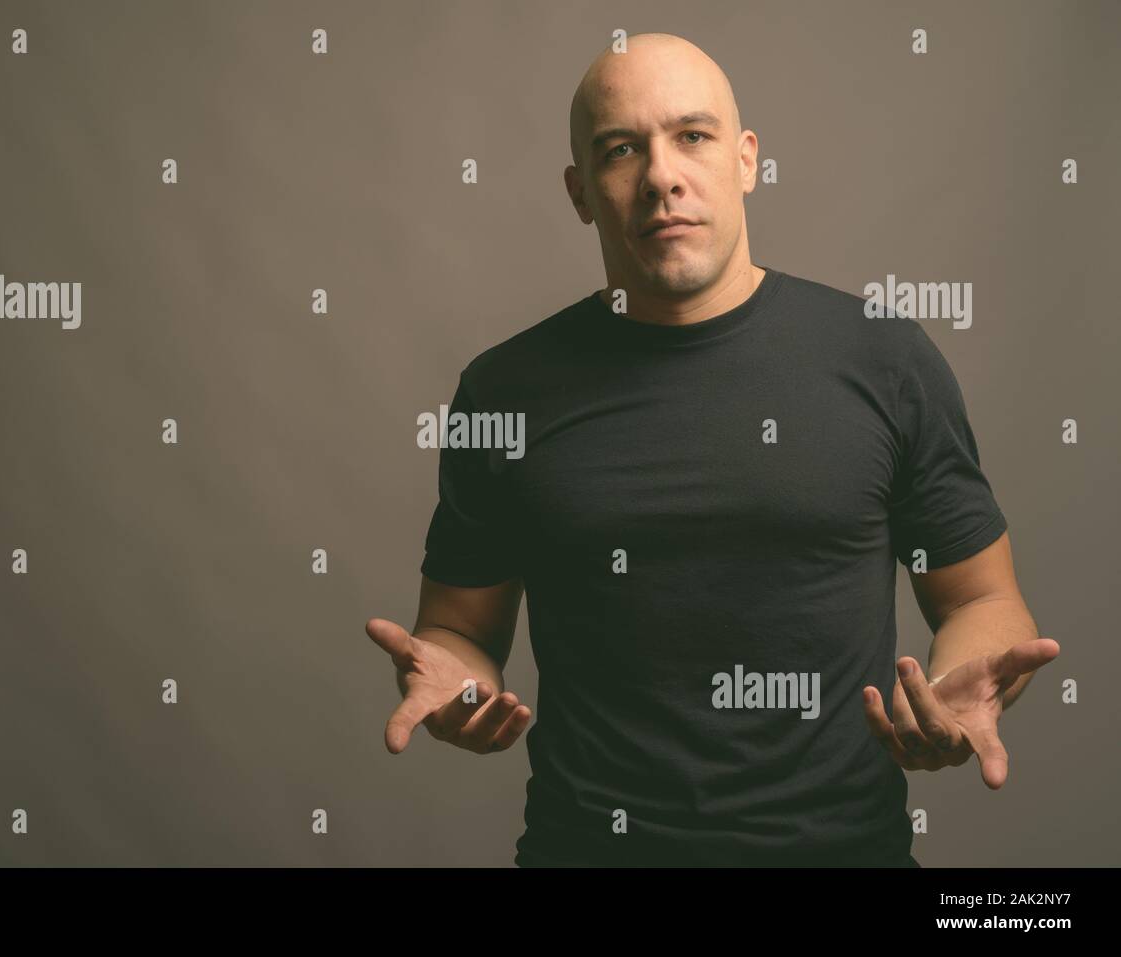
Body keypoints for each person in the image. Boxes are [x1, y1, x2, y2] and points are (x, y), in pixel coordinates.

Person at [365, 32, 1058, 867]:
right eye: (623, 149)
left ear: (746, 160)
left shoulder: (884, 358)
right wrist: (457, 684)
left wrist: (957, 693)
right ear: (581, 192)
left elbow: (982, 597)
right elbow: (457, 625)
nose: (662, 175)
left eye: (692, 136)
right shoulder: (504, 391)